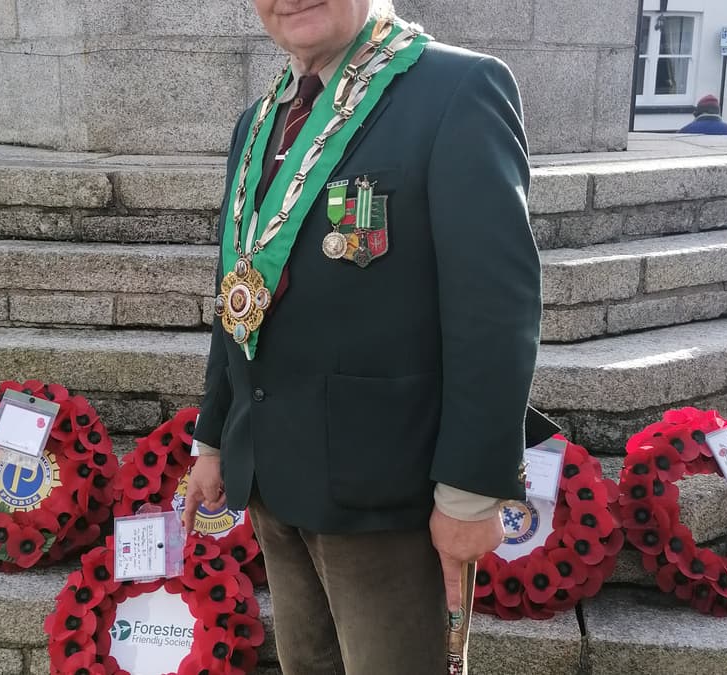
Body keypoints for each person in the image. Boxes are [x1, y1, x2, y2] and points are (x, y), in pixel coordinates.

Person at [182, 0, 544, 672]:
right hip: (273, 478)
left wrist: (471, 489)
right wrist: (213, 437)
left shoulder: (456, 90)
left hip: (385, 494)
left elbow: (496, 309)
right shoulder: (259, 120)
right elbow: (239, 290)